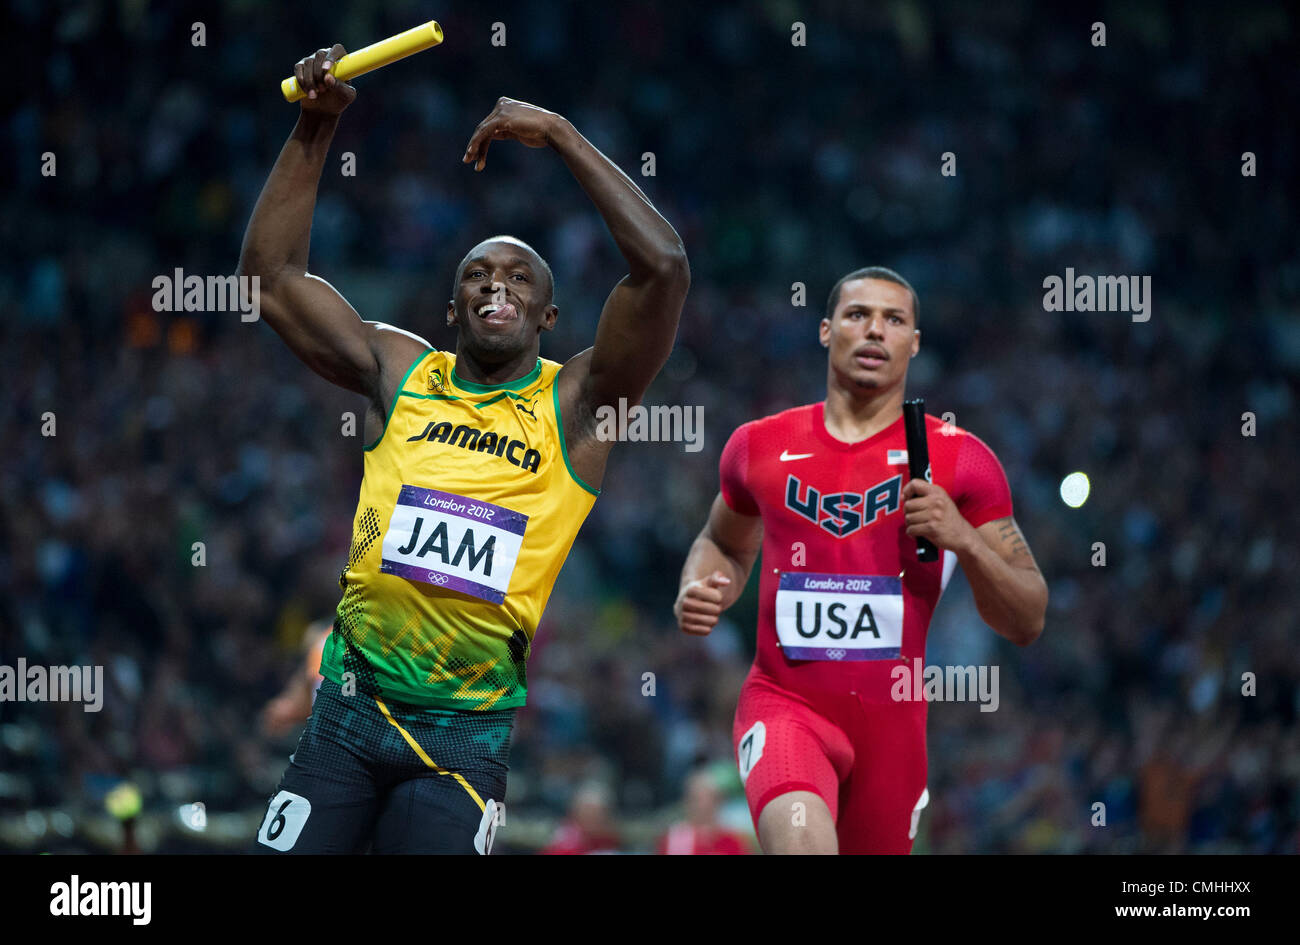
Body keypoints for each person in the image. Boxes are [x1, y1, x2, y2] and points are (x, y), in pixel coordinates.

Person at [239, 44, 689, 854]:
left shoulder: (578, 404)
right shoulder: (402, 367)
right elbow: (269, 280)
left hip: (460, 742)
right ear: (453, 307)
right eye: (479, 275)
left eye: (520, 279)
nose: (497, 285)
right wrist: (314, 124)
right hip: (346, 714)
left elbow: (662, 268)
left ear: (549, 319)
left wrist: (559, 134)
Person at [674, 268, 1047, 854]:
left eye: (894, 320)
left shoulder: (961, 461)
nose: (875, 330)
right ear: (826, 330)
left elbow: (1026, 619)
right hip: (785, 705)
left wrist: (965, 540)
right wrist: (702, 584)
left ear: (914, 343)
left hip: (893, 732)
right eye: (857, 315)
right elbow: (722, 541)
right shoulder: (759, 445)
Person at [656, 768, 751, 855]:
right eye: (692, 798)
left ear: (718, 801)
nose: (696, 805)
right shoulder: (673, 838)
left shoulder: (731, 840)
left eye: (701, 798)